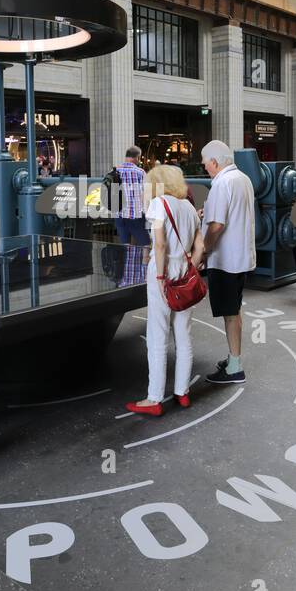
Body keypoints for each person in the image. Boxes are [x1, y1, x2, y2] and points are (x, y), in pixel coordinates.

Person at [127, 165, 205, 416]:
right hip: (184, 271)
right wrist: (188, 267)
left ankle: (154, 399)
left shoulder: (159, 203)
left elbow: (159, 244)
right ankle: (182, 392)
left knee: (158, 334)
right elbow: (200, 245)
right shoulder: (189, 207)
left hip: (163, 271)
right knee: (183, 335)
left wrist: (161, 275)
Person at [197, 140, 255, 384]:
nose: (205, 168)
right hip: (241, 257)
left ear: (214, 162)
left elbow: (217, 225)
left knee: (230, 314)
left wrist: (205, 250)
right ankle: (233, 359)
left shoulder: (221, 183)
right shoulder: (243, 179)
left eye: (205, 164)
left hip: (224, 260)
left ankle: (235, 367)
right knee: (234, 310)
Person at [112, 146, 148, 247]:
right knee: (144, 244)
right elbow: (146, 194)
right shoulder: (140, 172)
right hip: (136, 214)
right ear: (137, 157)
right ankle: (141, 262)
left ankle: (126, 261)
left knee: (125, 244)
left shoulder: (114, 171)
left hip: (119, 214)